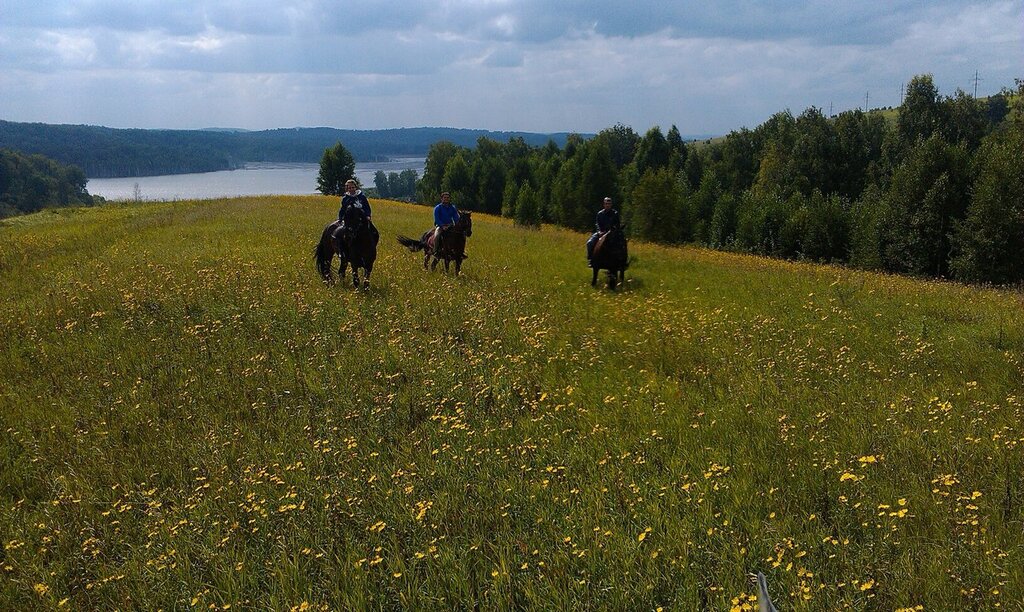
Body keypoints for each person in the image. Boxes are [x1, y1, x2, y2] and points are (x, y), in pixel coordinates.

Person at [586, 196, 620, 265]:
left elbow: (617, 224)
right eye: (606, 203)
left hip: (612, 233)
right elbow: (597, 224)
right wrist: (599, 231)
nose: (607, 205)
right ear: (604, 204)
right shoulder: (600, 214)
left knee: (622, 243)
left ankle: (622, 260)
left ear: (611, 205)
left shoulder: (615, 213)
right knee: (589, 243)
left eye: (609, 203)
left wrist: (613, 230)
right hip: (601, 232)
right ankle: (591, 259)